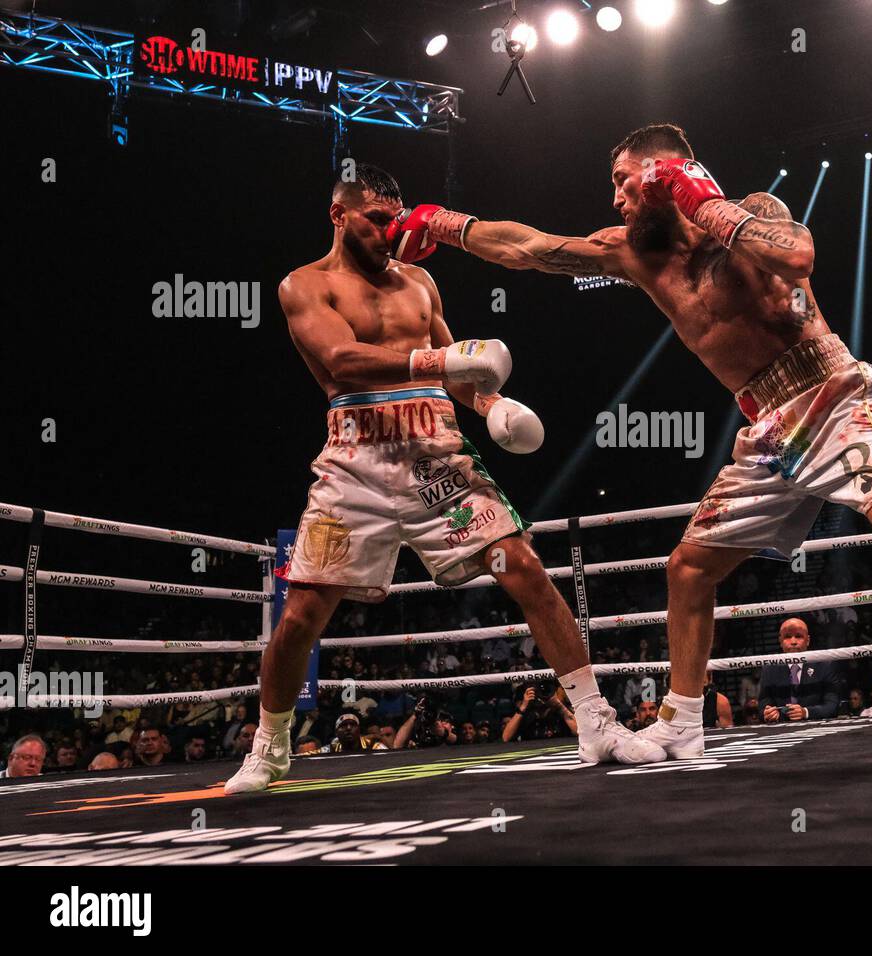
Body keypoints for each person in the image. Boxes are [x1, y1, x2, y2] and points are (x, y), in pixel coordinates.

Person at [412, 122, 872, 756]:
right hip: (768, 427)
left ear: (668, 170)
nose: (617, 200)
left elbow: (798, 255)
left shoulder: (750, 213)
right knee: (688, 568)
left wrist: (701, 199)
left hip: (830, 392)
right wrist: (437, 220)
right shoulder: (628, 253)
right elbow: (529, 249)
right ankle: (683, 720)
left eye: (626, 181)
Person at [225, 164, 663, 795]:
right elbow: (343, 361)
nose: (388, 232)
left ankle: (597, 722)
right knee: (301, 615)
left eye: (395, 220)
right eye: (375, 219)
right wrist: (440, 361)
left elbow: (460, 371)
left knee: (524, 566)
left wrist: (493, 407)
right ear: (338, 215)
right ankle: (269, 745)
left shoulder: (422, 282)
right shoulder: (304, 284)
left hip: (437, 455)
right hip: (355, 461)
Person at [758, 618, 843, 722]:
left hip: (816, 727)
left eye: (798, 636)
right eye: (787, 637)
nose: (793, 642)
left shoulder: (824, 665)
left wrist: (805, 712)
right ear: (780, 641)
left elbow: (832, 706)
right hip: (782, 730)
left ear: (808, 640)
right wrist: (768, 714)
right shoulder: (770, 668)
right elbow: (763, 706)